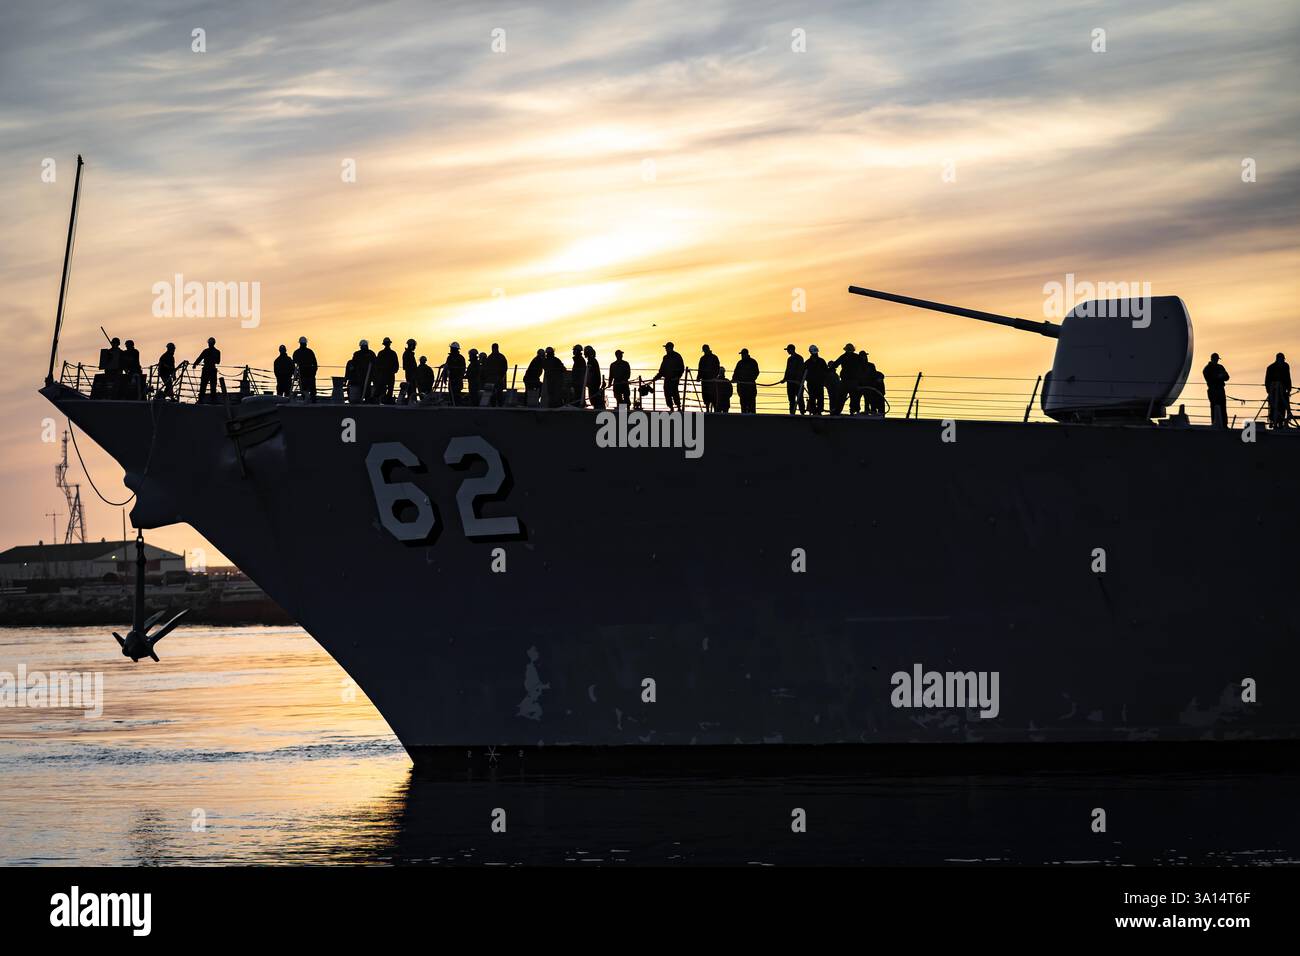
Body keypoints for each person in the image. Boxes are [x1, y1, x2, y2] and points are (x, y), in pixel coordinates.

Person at [830, 343, 863, 415]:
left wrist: (829, 369)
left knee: (846, 397)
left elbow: (835, 364)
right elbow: (836, 364)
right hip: (850, 380)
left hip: (849, 380)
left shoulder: (845, 356)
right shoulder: (856, 357)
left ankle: (841, 411)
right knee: (851, 397)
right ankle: (853, 411)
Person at [652, 342, 685, 410]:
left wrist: (678, 376)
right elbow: (662, 370)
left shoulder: (676, 356)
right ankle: (671, 407)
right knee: (667, 392)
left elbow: (681, 368)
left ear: (670, 348)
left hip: (674, 378)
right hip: (668, 378)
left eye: (667, 348)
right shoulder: (666, 357)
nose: (666, 349)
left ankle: (678, 406)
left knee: (674, 392)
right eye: (666, 348)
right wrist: (656, 377)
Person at [1265, 352, 1291, 429]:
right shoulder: (1270, 368)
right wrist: (1269, 390)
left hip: (1283, 391)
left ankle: (1282, 423)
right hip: (1274, 391)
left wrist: (1289, 388)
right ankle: (1274, 422)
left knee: (1283, 407)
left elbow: (1288, 377)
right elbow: (1267, 380)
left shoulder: (1285, 366)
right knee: (1274, 407)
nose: (1282, 360)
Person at [1203, 352, 1230, 428]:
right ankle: (1215, 424)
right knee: (1214, 407)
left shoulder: (1220, 367)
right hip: (1213, 390)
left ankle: (1224, 425)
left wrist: (1221, 376)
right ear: (1213, 359)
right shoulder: (1207, 368)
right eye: (1216, 359)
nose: (1217, 361)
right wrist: (1218, 376)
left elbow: (1227, 377)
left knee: (1223, 408)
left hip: (1221, 390)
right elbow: (1209, 379)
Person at [779, 344, 805, 415]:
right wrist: (784, 379)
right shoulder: (789, 359)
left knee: (800, 398)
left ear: (791, 350)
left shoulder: (799, 358)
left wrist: (798, 380)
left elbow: (800, 370)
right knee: (791, 399)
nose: (787, 351)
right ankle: (792, 413)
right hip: (790, 383)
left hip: (797, 383)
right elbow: (787, 370)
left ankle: (802, 413)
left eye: (788, 350)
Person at [347, 339, 375, 404]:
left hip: (368, 375)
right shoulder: (357, 354)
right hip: (359, 375)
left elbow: (375, 364)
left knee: (367, 387)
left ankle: (366, 399)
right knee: (361, 387)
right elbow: (353, 363)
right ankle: (362, 399)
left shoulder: (371, 353)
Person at [194, 337, 221, 401]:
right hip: (212, 370)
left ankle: (201, 399)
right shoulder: (217, 352)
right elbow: (218, 361)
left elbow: (199, 358)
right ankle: (213, 400)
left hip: (206, 370)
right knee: (212, 386)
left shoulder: (206, 351)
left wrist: (195, 364)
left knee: (204, 385)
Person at [374, 337, 399, 403]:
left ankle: (386, 399)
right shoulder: (390, 353)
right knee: (383, 387)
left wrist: (394, 371)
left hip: (387, 374)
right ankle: (384, 399)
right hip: (385, 374)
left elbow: (396, 364)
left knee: (387, 388)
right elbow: (377, 364)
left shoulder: (382, 353)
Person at [733, 348, 758, 414]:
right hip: (743, 388)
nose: (742, 356)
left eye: (743, 354)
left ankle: (751, 417)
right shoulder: (741, 363)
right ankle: (745, 417)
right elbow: (736, 373)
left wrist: (750, 379)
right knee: (744, 404)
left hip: (749, 387)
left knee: (751, 404)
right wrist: (734, 379)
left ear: (746, 354)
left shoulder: (752, 362)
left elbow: (756, 372)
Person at [804, 345, 827, 415]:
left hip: (818, 382)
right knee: (813, 397)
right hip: (812, 383)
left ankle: (818, 411)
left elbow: (825, 371)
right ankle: (815, 411)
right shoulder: (808, 362)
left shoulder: (820, 361)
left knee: (819, 397)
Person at [293, 336, 317, 401]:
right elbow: (315, 364)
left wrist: (296, 375)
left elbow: (294, 365)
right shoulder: (310, 352)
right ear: (306, 343)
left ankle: (306, 401)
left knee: (305, 390)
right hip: (308, 374)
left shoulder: (296, 352)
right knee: (311, 391)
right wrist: (313, 373)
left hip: (303, 375)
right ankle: (312, 402)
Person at [698, 344, 720, 412]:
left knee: (712, 395)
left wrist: (714, 376)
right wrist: (699, 376)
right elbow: (700, 369)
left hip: (710, 380)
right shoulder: (704, 358)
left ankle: (714, 409)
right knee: (706, 395)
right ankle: (708, 409)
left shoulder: (712, 358)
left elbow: (717, 368)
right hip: (706, 380)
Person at [861, 350, 883, 415]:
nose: (864, 357)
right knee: (867, 398)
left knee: (871, 398)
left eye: (864, 356)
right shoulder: (861, 366)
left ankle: (872, 410)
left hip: (870, 385)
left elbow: (874, 373)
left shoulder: (870, 365)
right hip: (864, 385)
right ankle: (867, 410)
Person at [401, 339, 418, 403]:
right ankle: (411, 400)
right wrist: (413, 373)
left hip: (411, 373)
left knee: (412, 387)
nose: (414, 347)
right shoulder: (408, 354)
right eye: (414, 346)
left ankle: (412, 400)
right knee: (411, 387)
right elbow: (408, 366)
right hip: (410, 374)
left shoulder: (408, 353)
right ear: (411, 345)